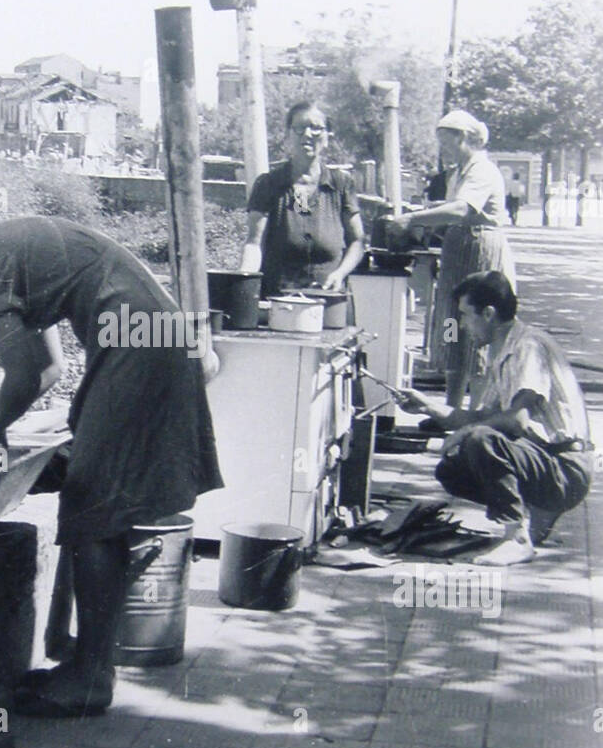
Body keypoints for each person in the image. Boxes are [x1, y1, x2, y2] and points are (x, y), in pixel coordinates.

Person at [0, 190, 223, 716]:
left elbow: (25, 373)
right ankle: (88, 661)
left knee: (92, 507)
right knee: (95, 495)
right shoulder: (0, 244)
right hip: (159, 334)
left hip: (139, 342)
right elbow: (48, 370)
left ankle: (93, 677)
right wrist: (1, 425)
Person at [397, 271, 594, 565]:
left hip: (566, 467)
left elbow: (516, 421)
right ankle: (534, 511)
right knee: (451, 470)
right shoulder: (501, 349)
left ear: (488, 313)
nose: (461, 325)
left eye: (465, 316)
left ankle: (517, 538)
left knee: (479, 441)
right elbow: (485, 416)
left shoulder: (527, 347)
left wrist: (466, 432)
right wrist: (428, 406)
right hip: (544, 458)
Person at [387, 109, 515, 408]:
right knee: (451, 326)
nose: (443, 149)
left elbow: (460, 210)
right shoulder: (457, 172)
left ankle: (475, 411)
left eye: (448, 142)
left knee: (478, 331)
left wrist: (414, 218)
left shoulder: (482, 170)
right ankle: (450, 407)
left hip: (480, 249)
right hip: (456, 252)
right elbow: (447, 213)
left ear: (465, 138)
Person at [240, 100, 366, 295]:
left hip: (328, 301)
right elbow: (254, 243)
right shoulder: (268, 185)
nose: (307, 135)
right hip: (277, 299)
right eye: (299, 128)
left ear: (327, 136)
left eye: (316, 128)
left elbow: (357, 242)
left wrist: (340, 274)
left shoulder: (341, 185)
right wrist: (244, 283)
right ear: (288, 134)